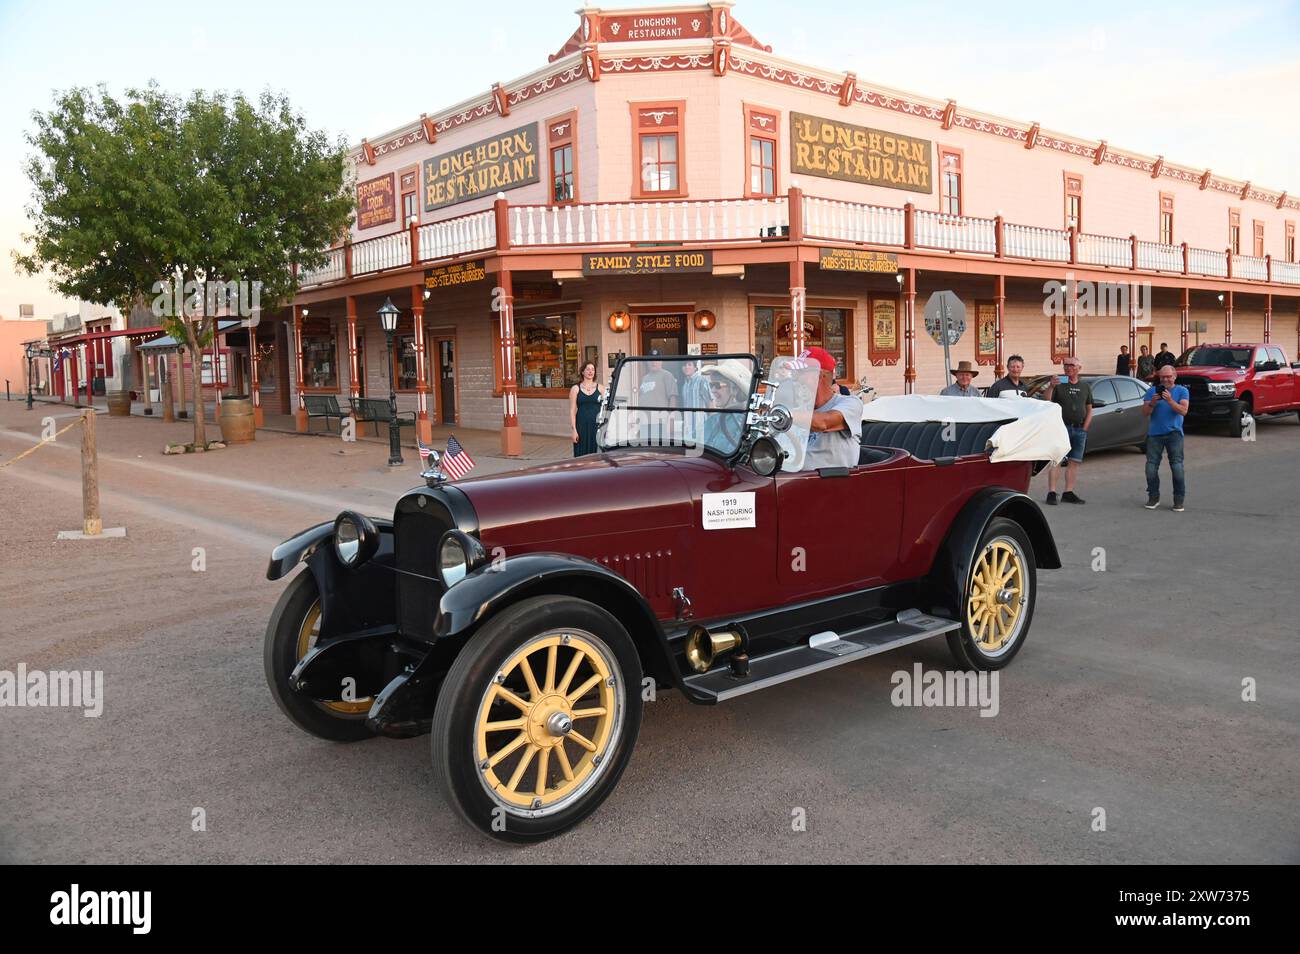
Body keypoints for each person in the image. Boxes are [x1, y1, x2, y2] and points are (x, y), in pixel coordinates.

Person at [801, 346, 862, 470]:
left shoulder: (851, 403)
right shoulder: (801, 409)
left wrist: (784, 414)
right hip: (792, 480)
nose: (795, 378)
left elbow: (823, 423)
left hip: (832, 483)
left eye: (801, 373)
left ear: (819, 375)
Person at [1141, 364, 1189, 511]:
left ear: (1174, 376)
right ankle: (1153, 497)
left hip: (1174, 433)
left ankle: (1178, 499)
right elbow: (1145, 413)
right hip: (1155, 434)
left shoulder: (1182, 391)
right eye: (1162, 377)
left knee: (1177, 466)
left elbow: (1183, 411)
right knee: (1151, 467)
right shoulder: (1151, 391)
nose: (1165, 379)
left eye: (1168, 376)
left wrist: (1169, 400)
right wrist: (1153, 403)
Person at [1045, 357, 1092, 505]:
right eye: (1066, 365)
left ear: (1079, 368)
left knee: (1074, 462)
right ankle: (1052, 492)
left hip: (1079, 429)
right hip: (1061, 428)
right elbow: (1047, 401)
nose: (1068, 367)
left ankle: (1068, 492)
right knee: (1056, 460)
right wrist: (1051, 387)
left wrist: (1085, 428)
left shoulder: (1085, 386)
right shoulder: (1059, 383)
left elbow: (1090, 409)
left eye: (1072, 365)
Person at [699, 360, 749, 451]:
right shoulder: (714, 419)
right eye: (711, 385)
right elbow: (691, 440)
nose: (713, 390)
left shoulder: (745, 422)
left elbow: (733, 456)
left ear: (735, 389)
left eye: (717, 385)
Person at [569, 361, 602, 457]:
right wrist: (574, 430)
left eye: (593, 369)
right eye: (588, 369)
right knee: (581, 455)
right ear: (582, 372)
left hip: (597, 427)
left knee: (596, 455)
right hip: (581, 427)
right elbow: (572, 410)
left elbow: (607, 409)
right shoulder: (575, 389)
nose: (590, 372)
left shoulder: (601, 388)